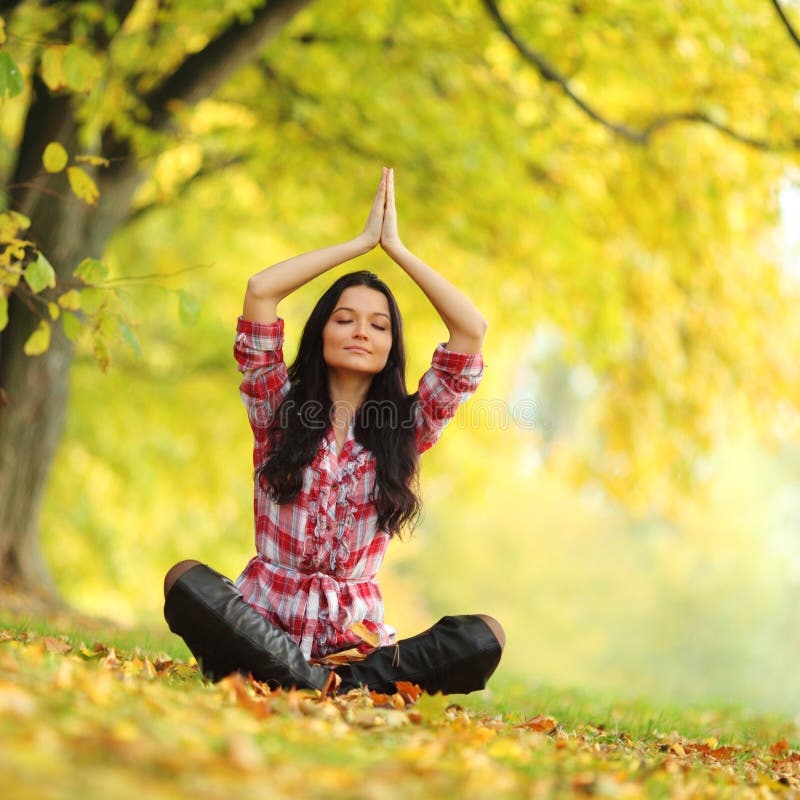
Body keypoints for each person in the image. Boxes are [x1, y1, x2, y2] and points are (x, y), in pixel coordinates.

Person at [163, 168, 504, 695]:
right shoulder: (276, 408)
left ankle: (336, 682)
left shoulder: (406, 428)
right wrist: (359, 245)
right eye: (345, 319)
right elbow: (260, 291)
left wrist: (397, 251)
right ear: (321, 331)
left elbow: (471, 332)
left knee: (486, 636)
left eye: (379, 324)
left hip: (356, 649)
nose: (362, 331)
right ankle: (315, 682)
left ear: (393, 345)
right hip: (263, 632)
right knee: (184, 579)